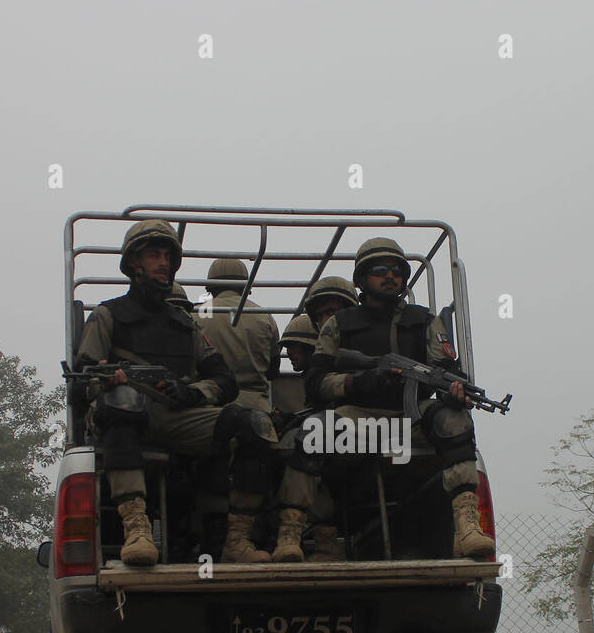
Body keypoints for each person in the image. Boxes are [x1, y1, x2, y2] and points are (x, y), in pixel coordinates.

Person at [275, 237, 494, 561]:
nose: (391, 276)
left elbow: (447, 369)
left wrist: (456, 389)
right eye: (380, 269)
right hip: (357, 416)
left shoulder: (423, 321)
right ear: (362, 279)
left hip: (410, 419)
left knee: (455, 419)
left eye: (397, 270)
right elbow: (316, 383)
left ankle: (466, 527)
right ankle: (290, 535)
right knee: (309, 434)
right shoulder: (339, 326)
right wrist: (359, 382)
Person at [74, 220, 276, 565]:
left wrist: (191, 392)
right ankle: (136, 530)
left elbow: (225, 380)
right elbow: (82, 380)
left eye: (168, 256)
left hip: (177, 416)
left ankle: (235, 538)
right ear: (134, 263)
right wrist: (107, 382)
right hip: (124, 419)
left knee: (256, 424)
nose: (164, 262)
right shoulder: (108, 316)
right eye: (155, 254)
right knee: (122, 400)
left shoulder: (186, 324)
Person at [274, 277, 361, 562]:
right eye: (322, 314)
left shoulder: (363, 345)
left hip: (370, 432)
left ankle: (308, 537)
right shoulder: (320, 367)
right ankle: (318, 541)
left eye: (334, 312)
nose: (289, 353)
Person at [195, 258, 279, 415]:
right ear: (246, 288)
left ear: (210, 288)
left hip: (210, 407)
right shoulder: (264, 316)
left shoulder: (197, 314)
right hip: (256, 407)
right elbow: (273, 371)